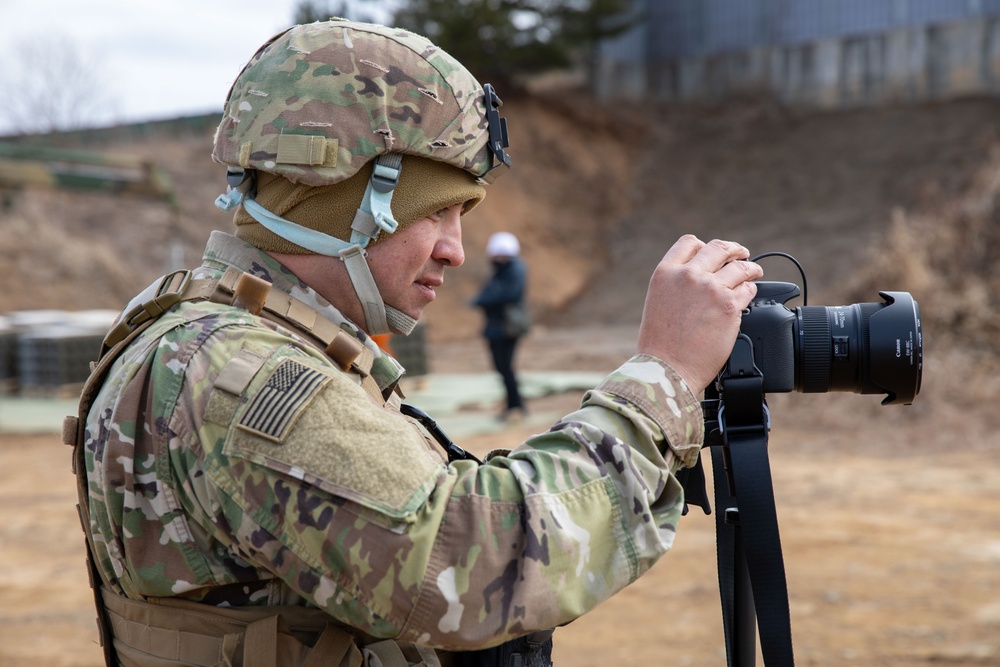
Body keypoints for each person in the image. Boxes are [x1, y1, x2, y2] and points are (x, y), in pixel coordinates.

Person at [64, 18, 763, 667]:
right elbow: (471, 561)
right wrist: (664, 376)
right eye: (438, 211)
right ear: (337, 192)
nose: (456, 250)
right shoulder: (242, 374)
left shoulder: (198, 329)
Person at [472, 231, 528, 421]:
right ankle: (514, 405)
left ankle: (516, 407)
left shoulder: (515, 270)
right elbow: (491, 291)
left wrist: (483, 300)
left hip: (506, 328)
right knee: (502, 368)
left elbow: (507, 294)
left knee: (506, 367)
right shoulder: (503, 270)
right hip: (496, 327)